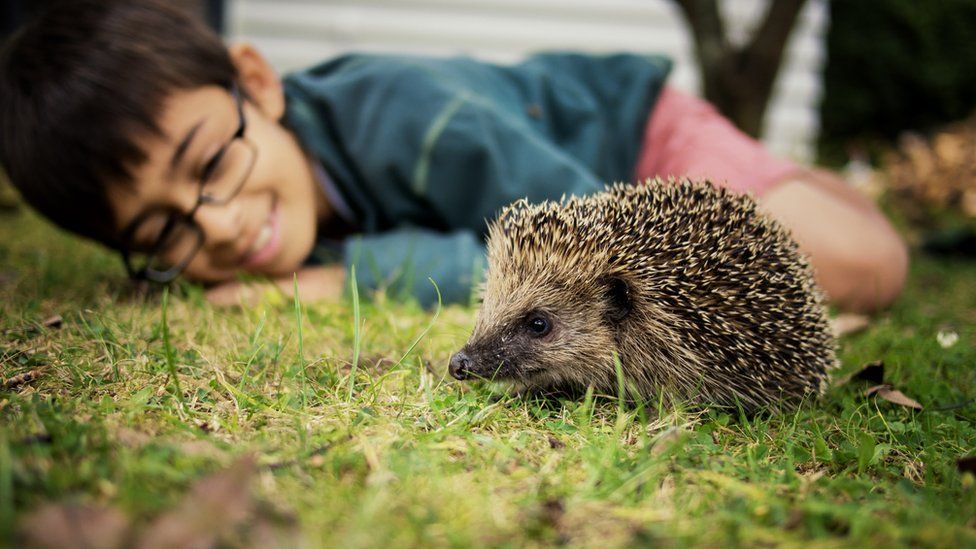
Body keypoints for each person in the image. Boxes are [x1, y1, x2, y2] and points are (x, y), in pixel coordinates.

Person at [0, 0, 907, 313]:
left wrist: (349, 274)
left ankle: (823, 192)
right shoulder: (261, 201)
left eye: (209, 164)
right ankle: (801, 183)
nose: (221, 227)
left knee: (866, 267)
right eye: (162, 232)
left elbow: (581, 259)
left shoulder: (418, 116)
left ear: (256, 83)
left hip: (633, 146)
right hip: (585, 175)